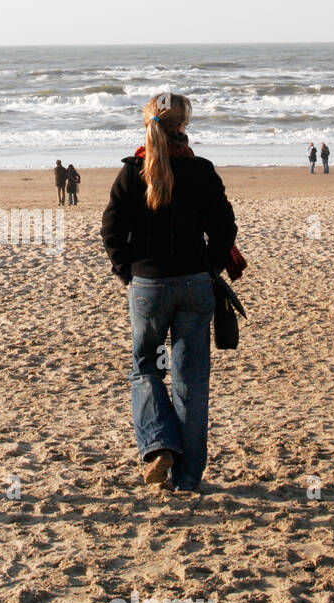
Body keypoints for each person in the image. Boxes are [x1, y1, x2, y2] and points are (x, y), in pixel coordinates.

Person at [100, 93, 240, 494]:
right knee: (191, 379)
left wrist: (128, 272)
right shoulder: (202, 171)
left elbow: (111, 230)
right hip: (195, 284)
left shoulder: (132, 172)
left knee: (145, 368)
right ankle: (188, 476)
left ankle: (159, 443)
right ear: (184, 126)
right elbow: (225, 228)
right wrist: (209, 265)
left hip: (148, 286)